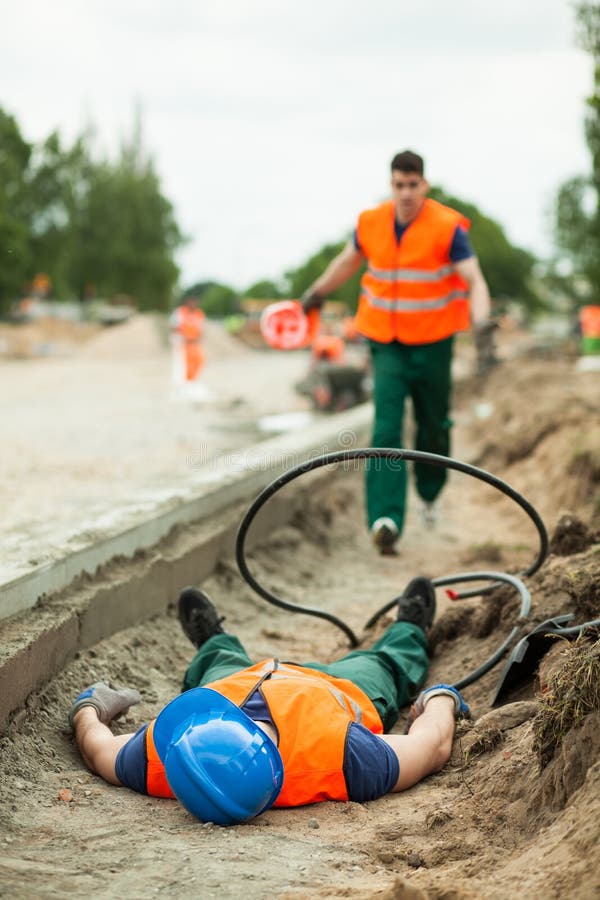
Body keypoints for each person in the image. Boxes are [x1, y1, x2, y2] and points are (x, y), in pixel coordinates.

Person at [68, 579, 470, 826]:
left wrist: (90, 706)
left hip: (236, 681)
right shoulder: (345, 758)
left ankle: (213, 640)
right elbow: (430, 747)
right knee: (385, 662)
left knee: (219, 663)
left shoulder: (168, 757)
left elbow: (98, 748)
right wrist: (439, 700)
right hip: (342, 688)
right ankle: (409, 627)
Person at [301, 150, 498, 555]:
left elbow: (474, 280)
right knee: (387, 428)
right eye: (399, 184)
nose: (406, 192)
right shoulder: (371, 223)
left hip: (433, 342)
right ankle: (385, 518)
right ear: (391, 185)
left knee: (432, 424)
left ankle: (429, 492)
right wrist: (317, 291)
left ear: (424, 185)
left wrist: (482, 327)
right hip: (385, 341)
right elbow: (346, 262)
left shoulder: (447, 228)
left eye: (413, 184)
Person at [169, 296, 206, 384]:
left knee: (199, 361)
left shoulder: (199, 314)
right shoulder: (180, 312)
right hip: (182, 343)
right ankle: (184, 381)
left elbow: (201, 329)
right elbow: (173, 326)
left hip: (194, 343)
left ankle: (192, 380)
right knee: (183, 364)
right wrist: (182, 337)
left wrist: (196, 339)